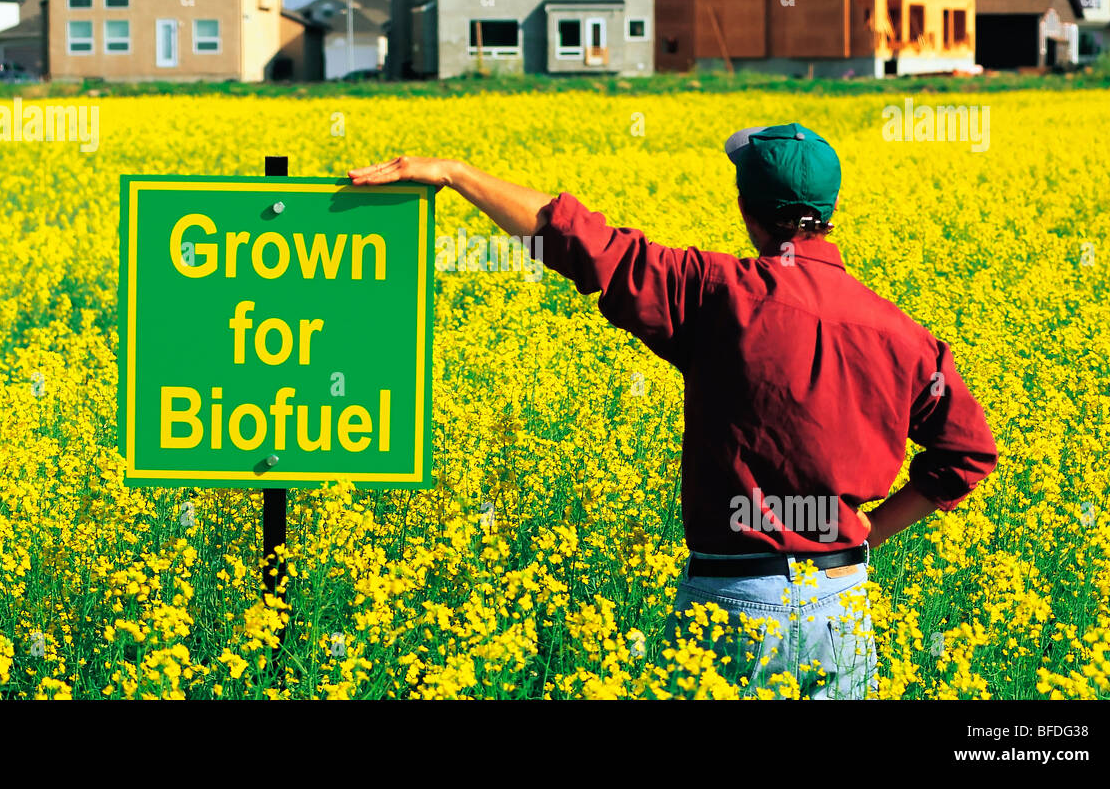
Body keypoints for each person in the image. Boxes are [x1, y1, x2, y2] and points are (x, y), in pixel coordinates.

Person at [348, 122, 999, 699]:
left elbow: (581, 244)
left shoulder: (721, 295)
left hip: (734, 608)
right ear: (831, 213)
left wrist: (456, 174)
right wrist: (862, 535)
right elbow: (967, 454)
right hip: (841, 606)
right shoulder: (902, 335)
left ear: (747, 210)